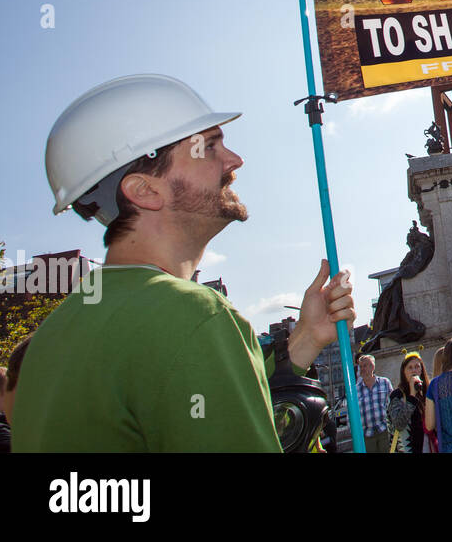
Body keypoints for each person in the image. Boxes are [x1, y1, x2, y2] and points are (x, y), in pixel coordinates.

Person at [19, 74, 356, 452]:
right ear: (145, 190)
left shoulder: (52, 337)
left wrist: (307, 337)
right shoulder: (194, 315)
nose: (235, 160)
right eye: (208, 147)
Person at [389, 352, 430, 453]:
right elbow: (399, 424)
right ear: (404, 372)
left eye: (417, 367)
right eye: (410, 368)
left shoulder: (428, 391)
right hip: (407, 448)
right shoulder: (396, 395)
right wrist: (412, 395)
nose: (414, 370)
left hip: (428, 446)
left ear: (421, 369)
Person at [355, 354, 394, 455]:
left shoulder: (385, 382)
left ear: (372, 367)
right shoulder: (355, 390)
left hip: (385, 431)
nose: (362, 369)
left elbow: (393, 405)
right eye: (360, 366)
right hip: (366, 435)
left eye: (365, 366)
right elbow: (351, 415)